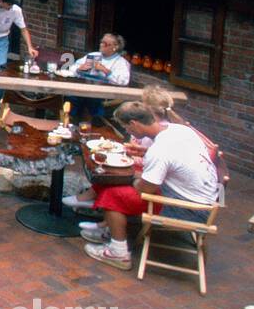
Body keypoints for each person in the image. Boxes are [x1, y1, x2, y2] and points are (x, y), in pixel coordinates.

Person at [81, 101, 220, 270]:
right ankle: (112, 229)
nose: (127, 131)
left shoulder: (160, 150)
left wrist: (130, 177)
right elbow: (176, 156)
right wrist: (144, 153)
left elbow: (145, 189)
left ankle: (118, 253)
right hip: (208, 200)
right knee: (116, 181)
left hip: (189, 210)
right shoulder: (180, 130)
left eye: (126, 128)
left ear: (134, 124)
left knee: (112, 193)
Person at [67, 32, 132, 121]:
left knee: (92, 101)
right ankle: (71, 121)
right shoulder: (94, 55)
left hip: (104, 94)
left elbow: (123, 81)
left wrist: (105, 71)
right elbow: (72, 68)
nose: (101, 45)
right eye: (101, 42)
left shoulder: (121, 62)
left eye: (105, 43)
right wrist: (79, 68)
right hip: (84, 90)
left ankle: (96, 123)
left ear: (115, 47)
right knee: (70, 96)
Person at [0, 0, 39, 70]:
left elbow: (23, 29)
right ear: (1, 1)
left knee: (0, 67)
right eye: (9, 4)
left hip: (2, 39)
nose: (10, 7)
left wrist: (29, 47)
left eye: (12, 5)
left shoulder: (16, 10)